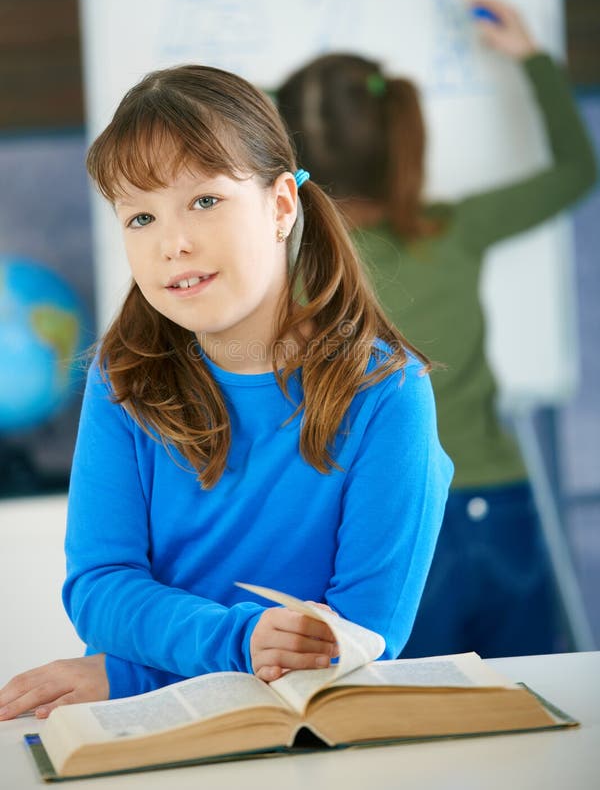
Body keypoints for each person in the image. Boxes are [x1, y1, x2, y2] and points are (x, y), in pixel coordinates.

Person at [0, 63, 452, 721]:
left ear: (280, 207)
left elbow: (361, 636)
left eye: (205, 201)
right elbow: (100, 589)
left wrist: (129, 670)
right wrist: (235, 641)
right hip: (163, 733)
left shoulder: (388, 393)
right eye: (141, 217)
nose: (173, 244)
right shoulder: (121, 382)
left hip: (315, 735)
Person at [276, 0, 598, 659]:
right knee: (528, 716)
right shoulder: (452, 231)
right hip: (501, 505)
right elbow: (577, 171)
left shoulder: (290, 272)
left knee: (418, 729)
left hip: (388, 524)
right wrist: (533, 60)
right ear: (400, 134)